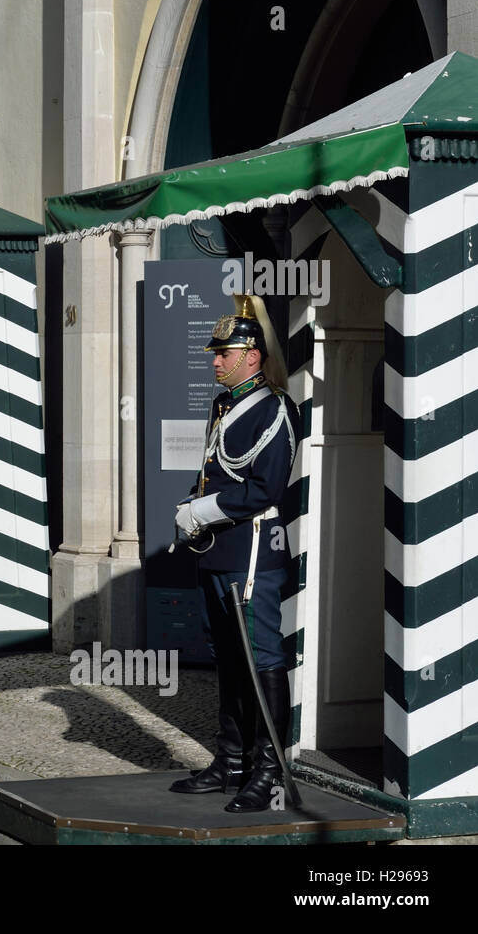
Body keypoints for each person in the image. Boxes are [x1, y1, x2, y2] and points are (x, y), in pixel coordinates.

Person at [168, 294, 299, 813]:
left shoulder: (276, 408)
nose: (215, 360)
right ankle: (232, 761)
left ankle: (269, 770)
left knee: (262, 658)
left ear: (253, 355)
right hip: (219, 553)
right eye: (215, 353)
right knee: (228, 658)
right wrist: (192, 506)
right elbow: (214, 472)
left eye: (224, 353)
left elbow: (266, 489)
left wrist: (204, 511)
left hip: (251, 556)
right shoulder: (223, 405)